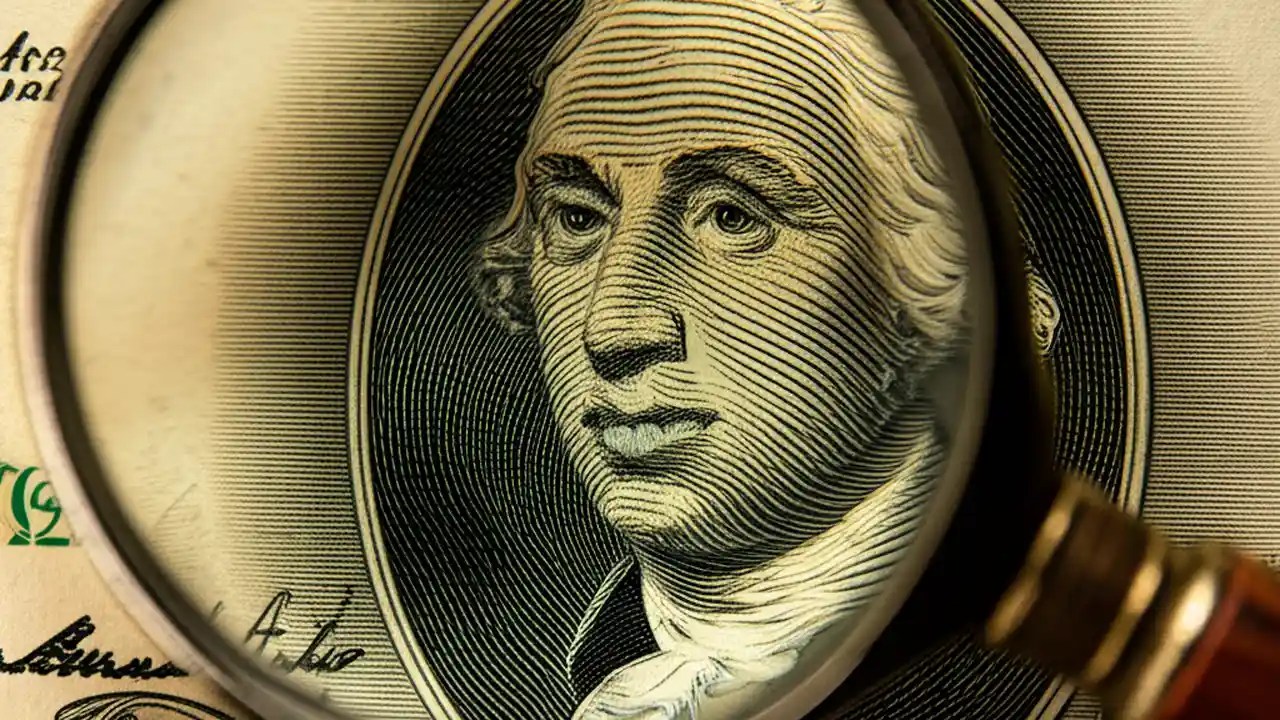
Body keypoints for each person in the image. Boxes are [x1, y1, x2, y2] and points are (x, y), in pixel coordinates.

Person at [470, 0, 969, 716]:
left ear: (919, 278)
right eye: (577, 217)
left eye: (733, 216)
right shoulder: (596, 659)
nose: (612, 327)